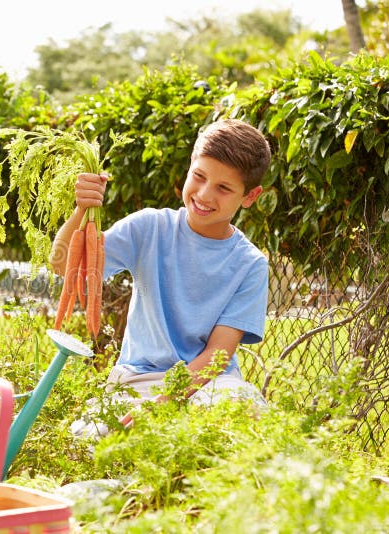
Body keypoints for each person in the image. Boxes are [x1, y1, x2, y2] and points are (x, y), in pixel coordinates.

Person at [50, 119, 271, 437]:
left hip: (209, 385)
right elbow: (62, 267)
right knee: (84, 438)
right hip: (136, 380)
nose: (205, 195)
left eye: (224, 188)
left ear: (250, 196)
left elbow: (217, 355)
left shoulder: (250, 265)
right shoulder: (149, 228)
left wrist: (164, 404)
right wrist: (81, 210)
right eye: (199, 176)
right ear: (189, 167)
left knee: (238, 408)